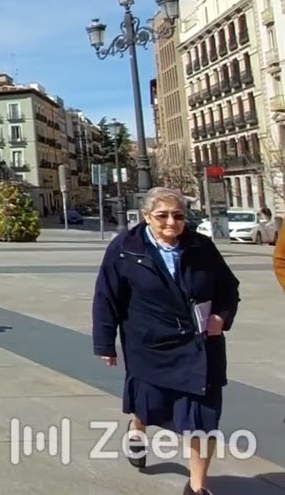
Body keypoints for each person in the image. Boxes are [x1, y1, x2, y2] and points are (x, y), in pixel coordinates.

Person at [92, 187, 240, 495]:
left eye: (178, 216)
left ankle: (198, 486)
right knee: (149, 402)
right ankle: (137, 428)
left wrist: (221, 317)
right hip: (150, 345)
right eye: (162, 216)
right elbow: (106, 297)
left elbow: (229, 288)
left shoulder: (202, 246)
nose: (171, 223)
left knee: (203, 416)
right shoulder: (125, 248)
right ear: (146, 217)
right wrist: (105, 342)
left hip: (200, 346)